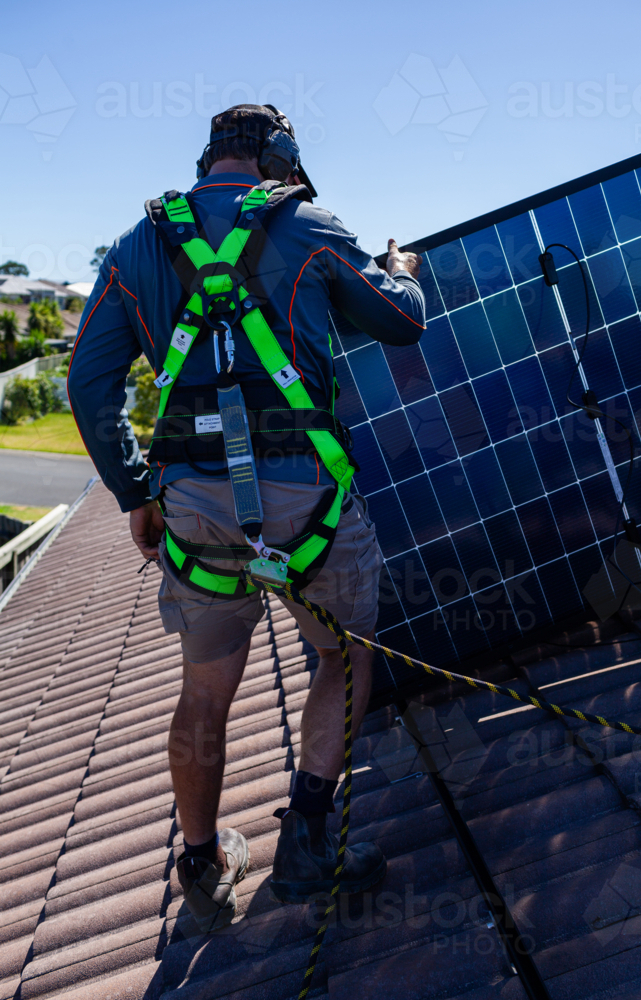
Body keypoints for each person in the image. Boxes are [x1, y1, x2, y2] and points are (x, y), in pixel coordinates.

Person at [68, 104, 425, 933]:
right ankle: (305, 841)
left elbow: (89, 387)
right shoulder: (309, 223)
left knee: (205, 686)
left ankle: (199, 859)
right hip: (311, 501)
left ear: (207, 161)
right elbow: (400, 322)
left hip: (192, 507)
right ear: (282, 159)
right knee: (339, 655)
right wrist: (400, 265)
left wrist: (134, 494)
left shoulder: (135, 246)